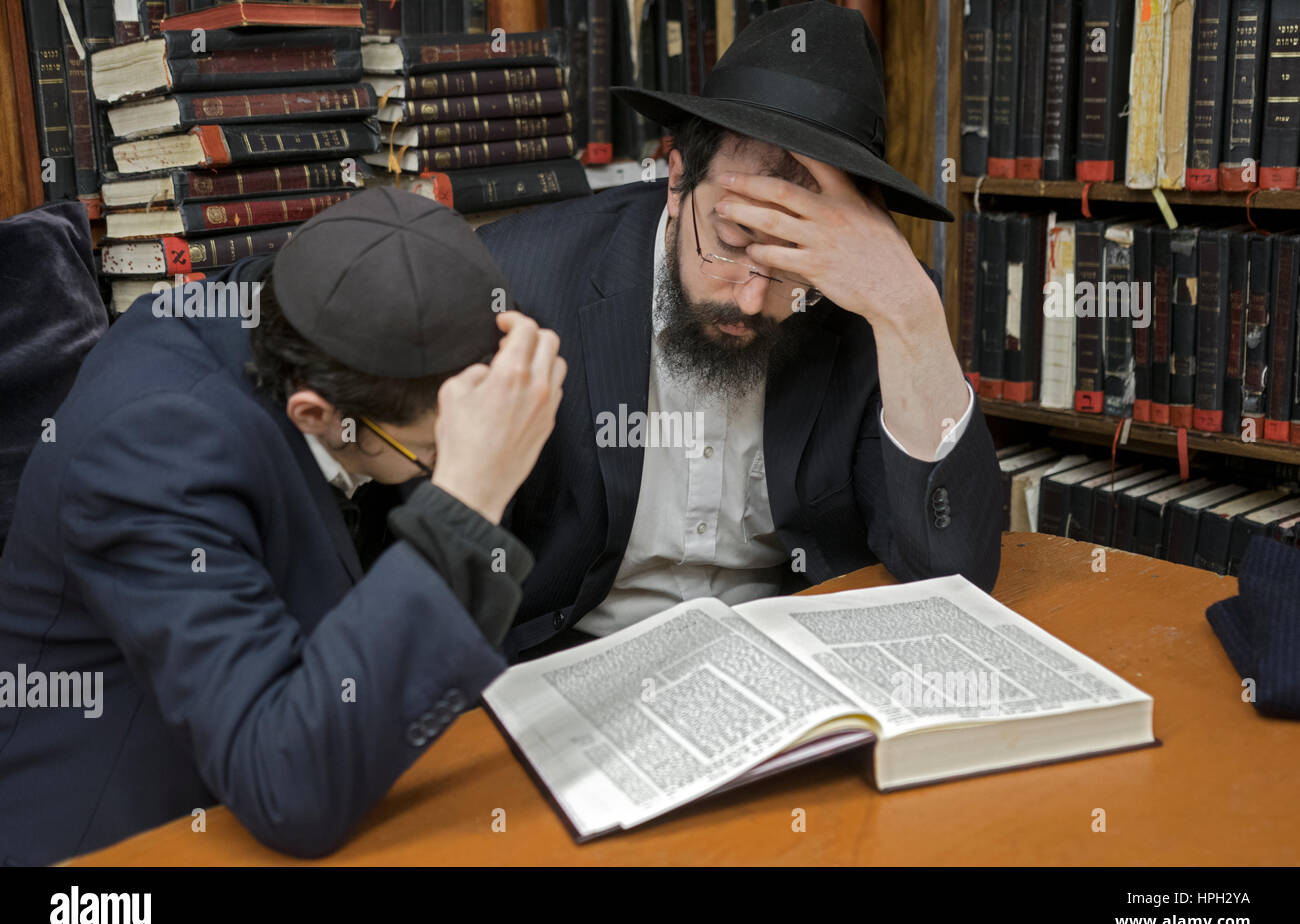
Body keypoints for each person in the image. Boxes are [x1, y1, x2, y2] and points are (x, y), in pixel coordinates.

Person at [0, 188, 565, 865]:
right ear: (313, 413)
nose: (435, 473)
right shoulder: (153, 452)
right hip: (126, 843)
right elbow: (287, 787)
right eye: (433, 455)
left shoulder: (305, 309)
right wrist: (468, 499)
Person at [476, 0, 1001, 661]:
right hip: (572, 663)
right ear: (675, 181)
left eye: (791, 264)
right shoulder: (523, 282)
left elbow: (955, 578)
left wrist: (911, 316)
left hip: (790, 663)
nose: (752, 299)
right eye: (730, 241)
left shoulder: (874, 303)